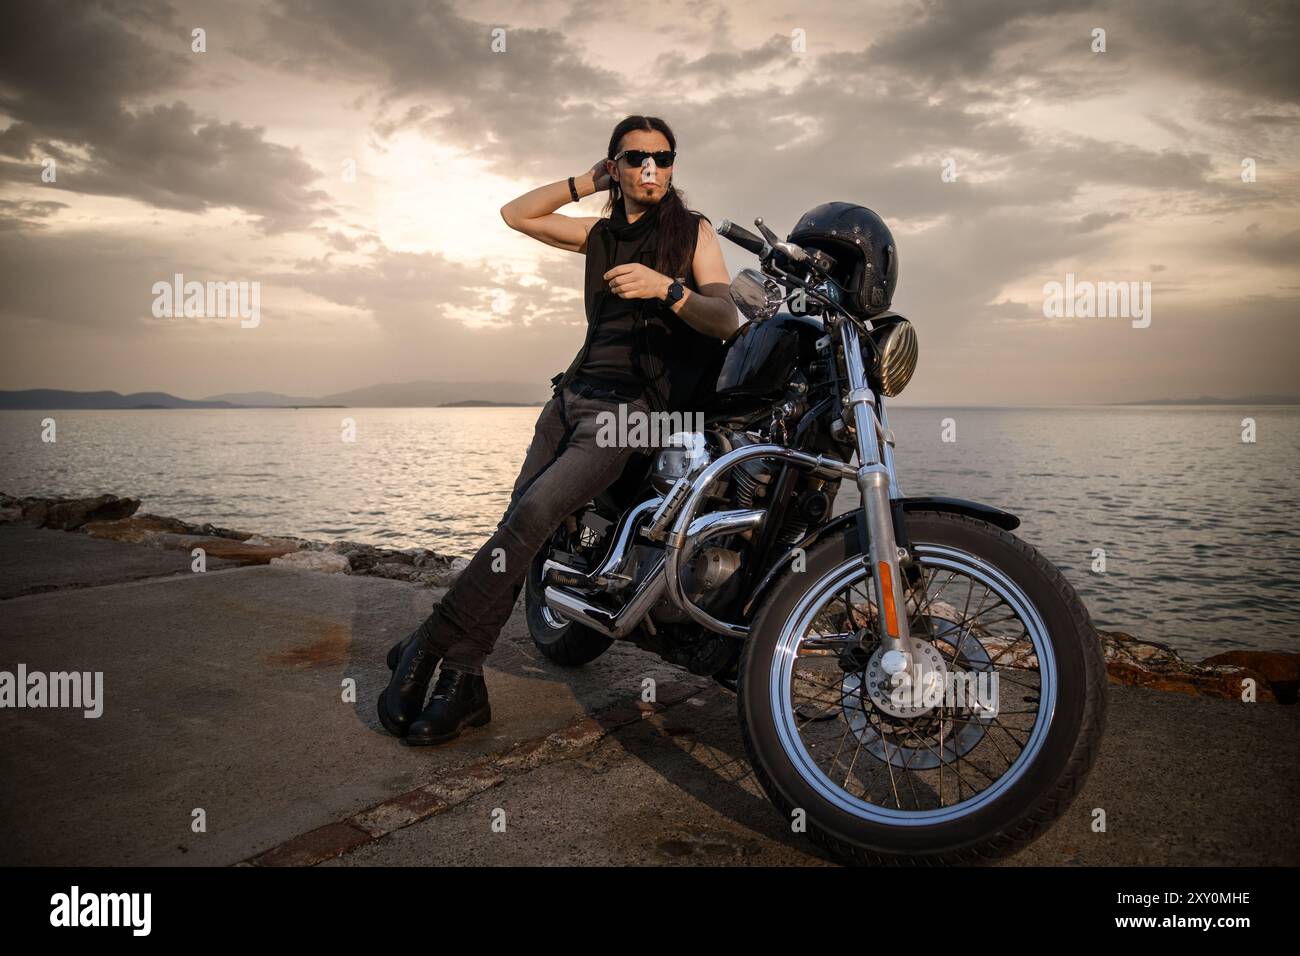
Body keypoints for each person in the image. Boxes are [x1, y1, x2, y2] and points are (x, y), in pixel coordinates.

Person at [377, 115, 741, 746]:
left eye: (662, 157)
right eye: (634, 159)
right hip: (569, 398)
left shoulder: (693, 232)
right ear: (615, 168)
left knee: (531, 518)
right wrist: (583, 180)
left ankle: (425, 644)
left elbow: (725, 316)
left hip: (629, 413)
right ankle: (464, 680)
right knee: (515, 534)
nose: (650, 169)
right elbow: (516, 213)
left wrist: (668, 289)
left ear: (674, 165)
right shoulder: (598, 234)